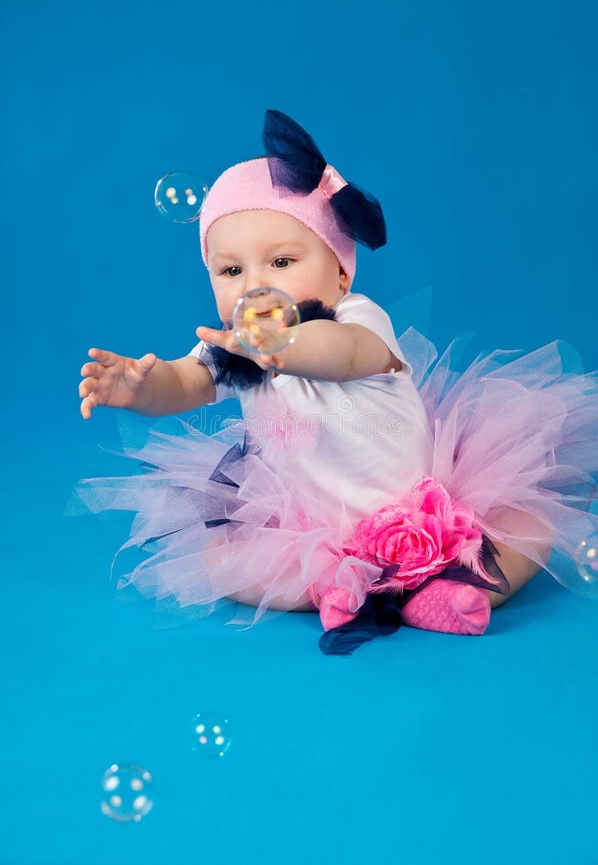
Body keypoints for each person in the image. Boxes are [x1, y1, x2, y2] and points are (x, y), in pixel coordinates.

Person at [73, 109, 598, 654]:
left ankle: (452, 591)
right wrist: (142, 389)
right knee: (221, 561)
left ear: (341, 273)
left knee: (529, 525)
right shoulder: (233, 344)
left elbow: (343, 355)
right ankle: (330, 586)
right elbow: (187, 382)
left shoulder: (357, 320)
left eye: (281, 262)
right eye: (231, 271)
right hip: (310, 530)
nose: (254, 285)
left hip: (424, 511)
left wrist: (282, 347)